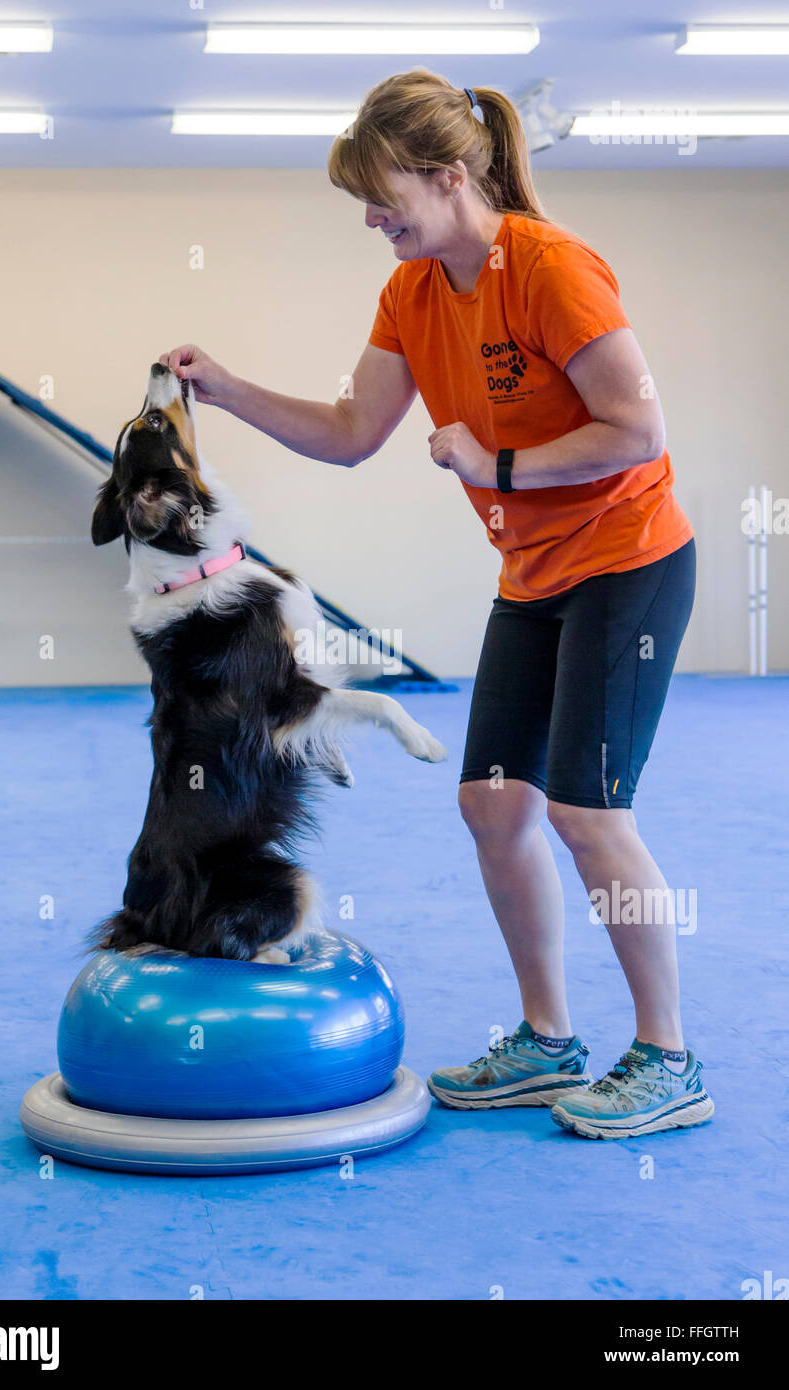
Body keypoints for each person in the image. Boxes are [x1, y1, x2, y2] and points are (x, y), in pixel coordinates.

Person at [160, 69, 713, 1141]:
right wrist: (225, 388)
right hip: (534, 576)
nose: (370, 219)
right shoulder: (412, 292)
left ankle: (666, 1055)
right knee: (494, 803)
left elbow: (636, 431)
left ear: (447, 175)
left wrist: (496, 465)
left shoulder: (550, 268)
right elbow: (349, 431)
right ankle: (547, 1041)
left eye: (380, 197)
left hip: (629, 561)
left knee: (587, 811)